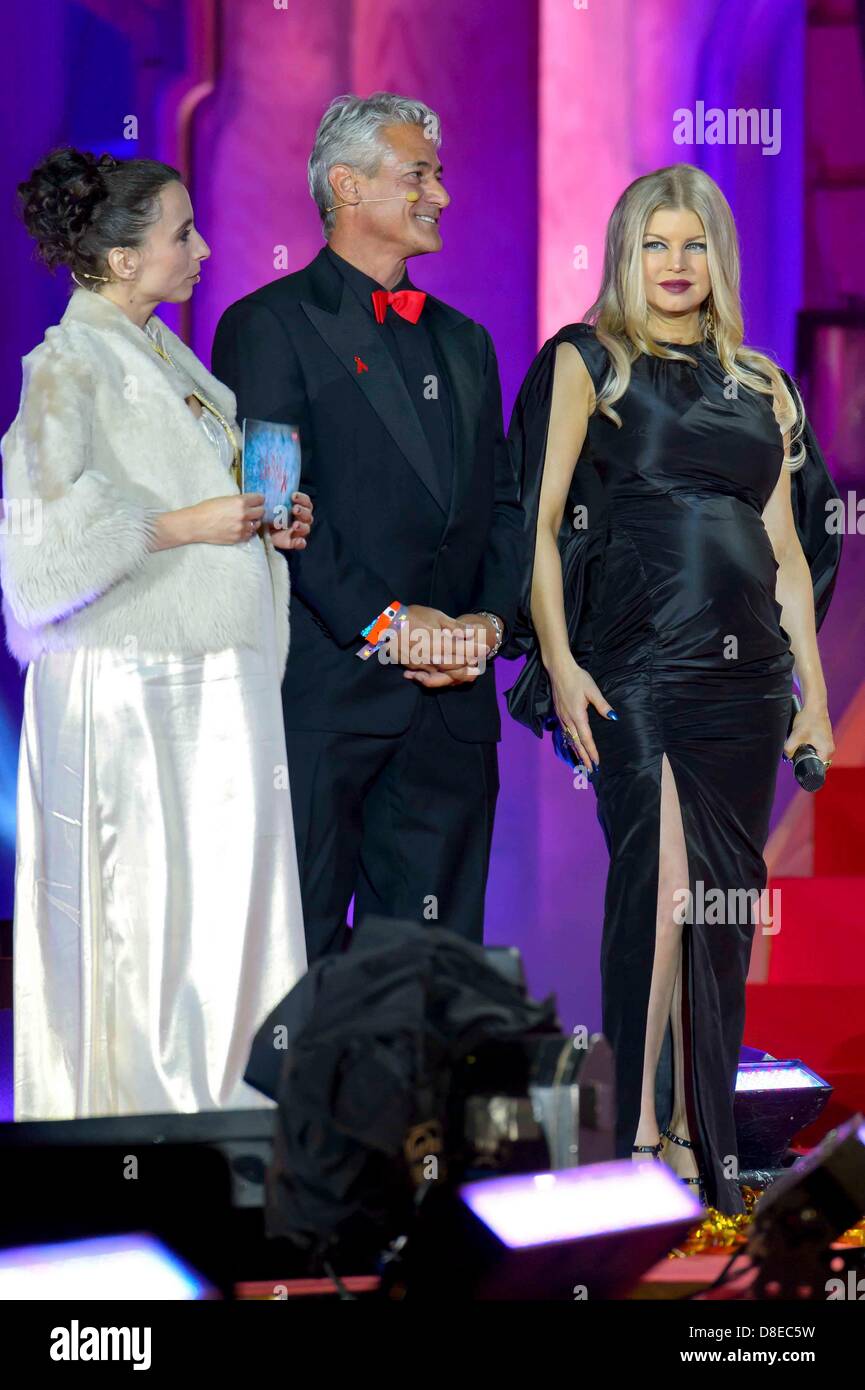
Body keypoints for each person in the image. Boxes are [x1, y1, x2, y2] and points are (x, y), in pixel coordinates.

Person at [505, 164, 841, 1215]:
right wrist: (559, 663)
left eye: (692, 245)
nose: (675, 265)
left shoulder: (762, 384)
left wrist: (815, 701)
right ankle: (638, 1138)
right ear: (623, 256)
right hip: (636, 662)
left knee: (722, 910)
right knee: (656, 898)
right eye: (654, 245)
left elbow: (786, 553)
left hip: (745, 684)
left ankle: (707, 1137)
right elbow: (540, 523)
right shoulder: (586, 360)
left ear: (718, 258)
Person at [0, 147, 313, 1119]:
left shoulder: (172, 362)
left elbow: (204, 503)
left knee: (222, 932)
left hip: (209, 699)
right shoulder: (66, 369)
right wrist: (188, 524)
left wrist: (264, 527)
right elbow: (36, 568)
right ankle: (141, 1145)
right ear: (124, 257)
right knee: (149, 929)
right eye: (182, 232)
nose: (205, 248)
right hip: (135, 697)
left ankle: (233, 1135)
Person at [213, 92, 523, 962]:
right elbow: (273, 508)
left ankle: (416, 1110)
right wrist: (390, 629)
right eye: (417, 174)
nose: (441, 195)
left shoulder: (466, 342)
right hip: (324, 706)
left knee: (435, 977)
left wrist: (485, 628)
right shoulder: (263, 326)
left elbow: (502, 505)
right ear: (346, 187)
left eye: (438, 174)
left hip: (452, 716)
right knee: (299, 964)